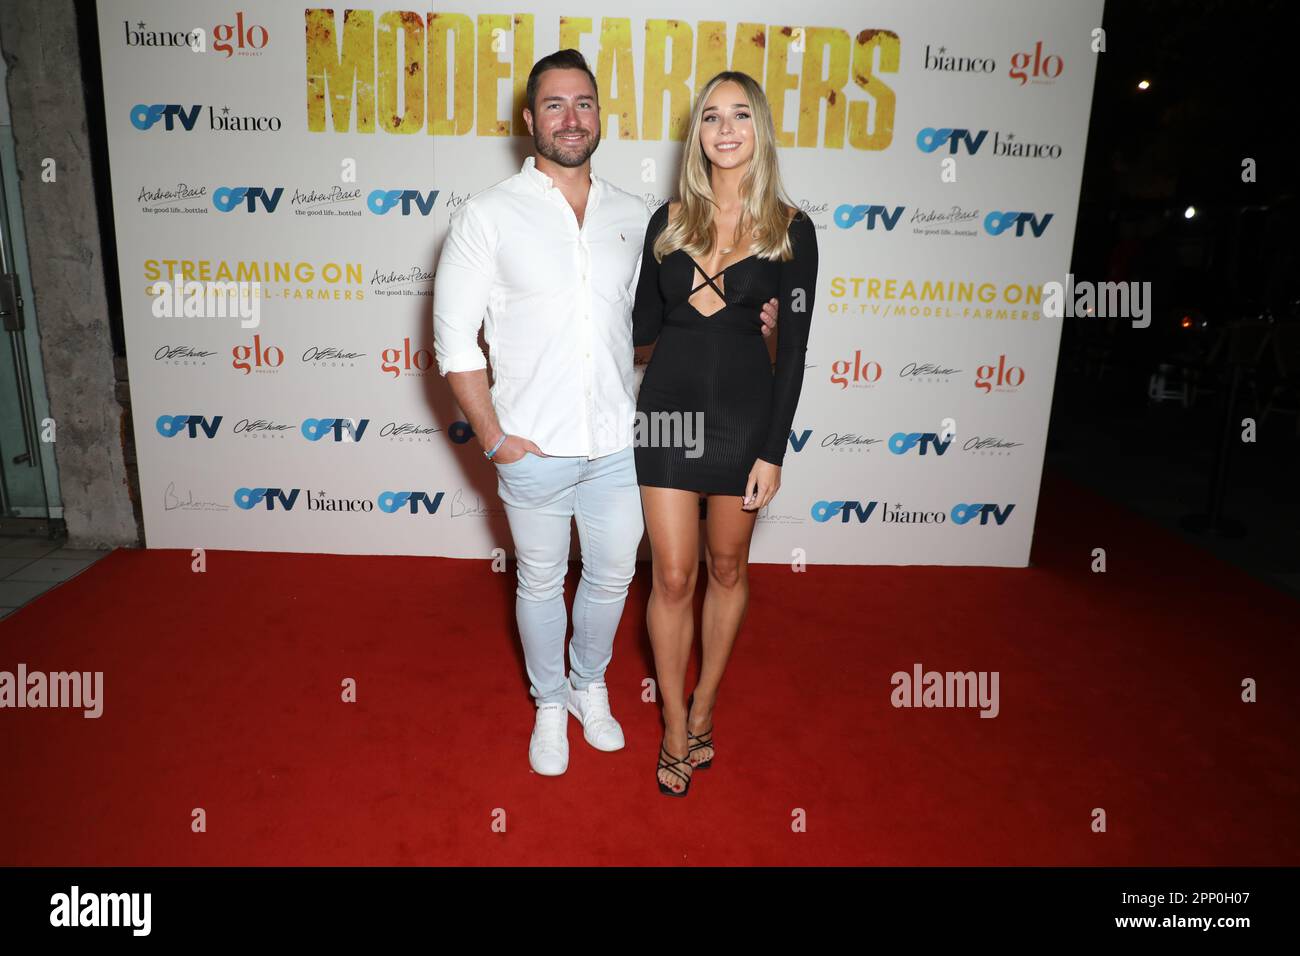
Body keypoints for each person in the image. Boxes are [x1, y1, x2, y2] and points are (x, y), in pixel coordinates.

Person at [432, 51, 778, 776]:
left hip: (624, 445)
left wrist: (756, 321)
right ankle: (549, 703)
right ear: (529, 120)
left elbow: (657, 324)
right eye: (554, 105)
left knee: (614, 580)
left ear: (599, 117)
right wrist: (493, 438)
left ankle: (591, 686)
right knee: (537, 581)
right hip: (532, 446)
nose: (570, 118)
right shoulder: (488, 214)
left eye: (583, 103)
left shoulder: (639, 216)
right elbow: (454, 343)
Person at [631, 71, 818, 796]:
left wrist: (773, 449)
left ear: (760, 128)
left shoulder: (792, 229)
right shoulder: (668, 220)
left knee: (728, 569)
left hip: (745, 417)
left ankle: (707, 699)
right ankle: (675, 725)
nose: (726, 127)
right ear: (698, 132)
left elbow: (795, 350)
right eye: (712, 116)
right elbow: (642, 329)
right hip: (669, 411)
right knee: (672, 576)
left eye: (741, 114)